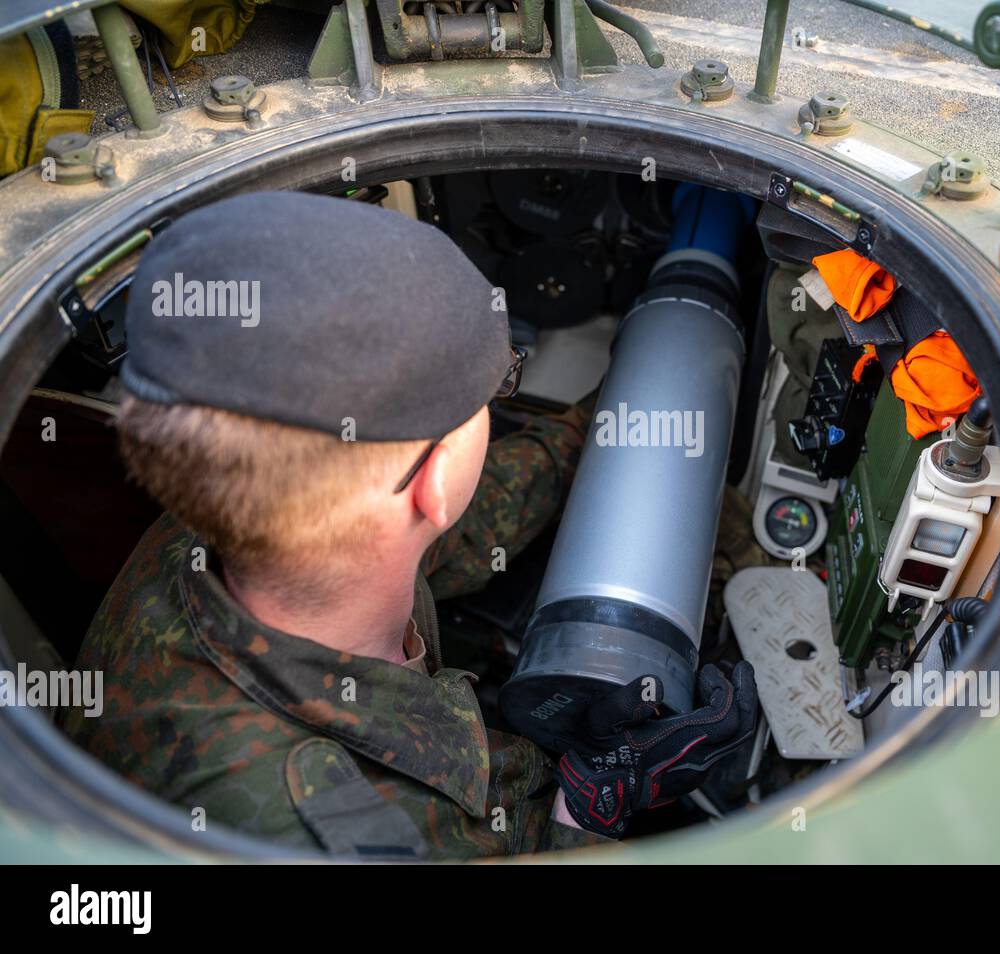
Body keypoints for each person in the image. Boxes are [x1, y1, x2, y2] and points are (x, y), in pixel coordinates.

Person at [58, 191, 757, 858]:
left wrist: (614, 421)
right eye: (494, 389)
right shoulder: (340, 833)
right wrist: (592, 806)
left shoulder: (224, 515)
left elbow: (460, 529)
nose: (498, 395)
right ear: (434, 477)